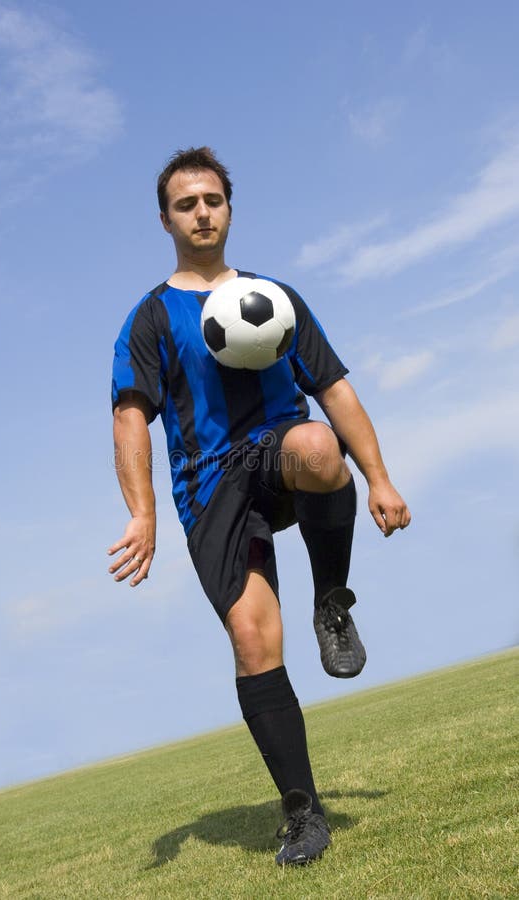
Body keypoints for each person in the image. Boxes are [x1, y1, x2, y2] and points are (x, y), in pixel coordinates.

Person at [108, 147, 411, 866]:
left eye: (212, 199)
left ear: (230, 210)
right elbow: (129, 416)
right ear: (165, 219)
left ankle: (331, 602)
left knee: (315, 443)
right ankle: (303, 812)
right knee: (253, 642)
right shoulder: (151, 318)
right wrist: (143, 514)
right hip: (209, 488)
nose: (202, 213)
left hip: (279, 453)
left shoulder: (276, 298)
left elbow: (334, 388)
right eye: (187, 204)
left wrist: (381, 478)